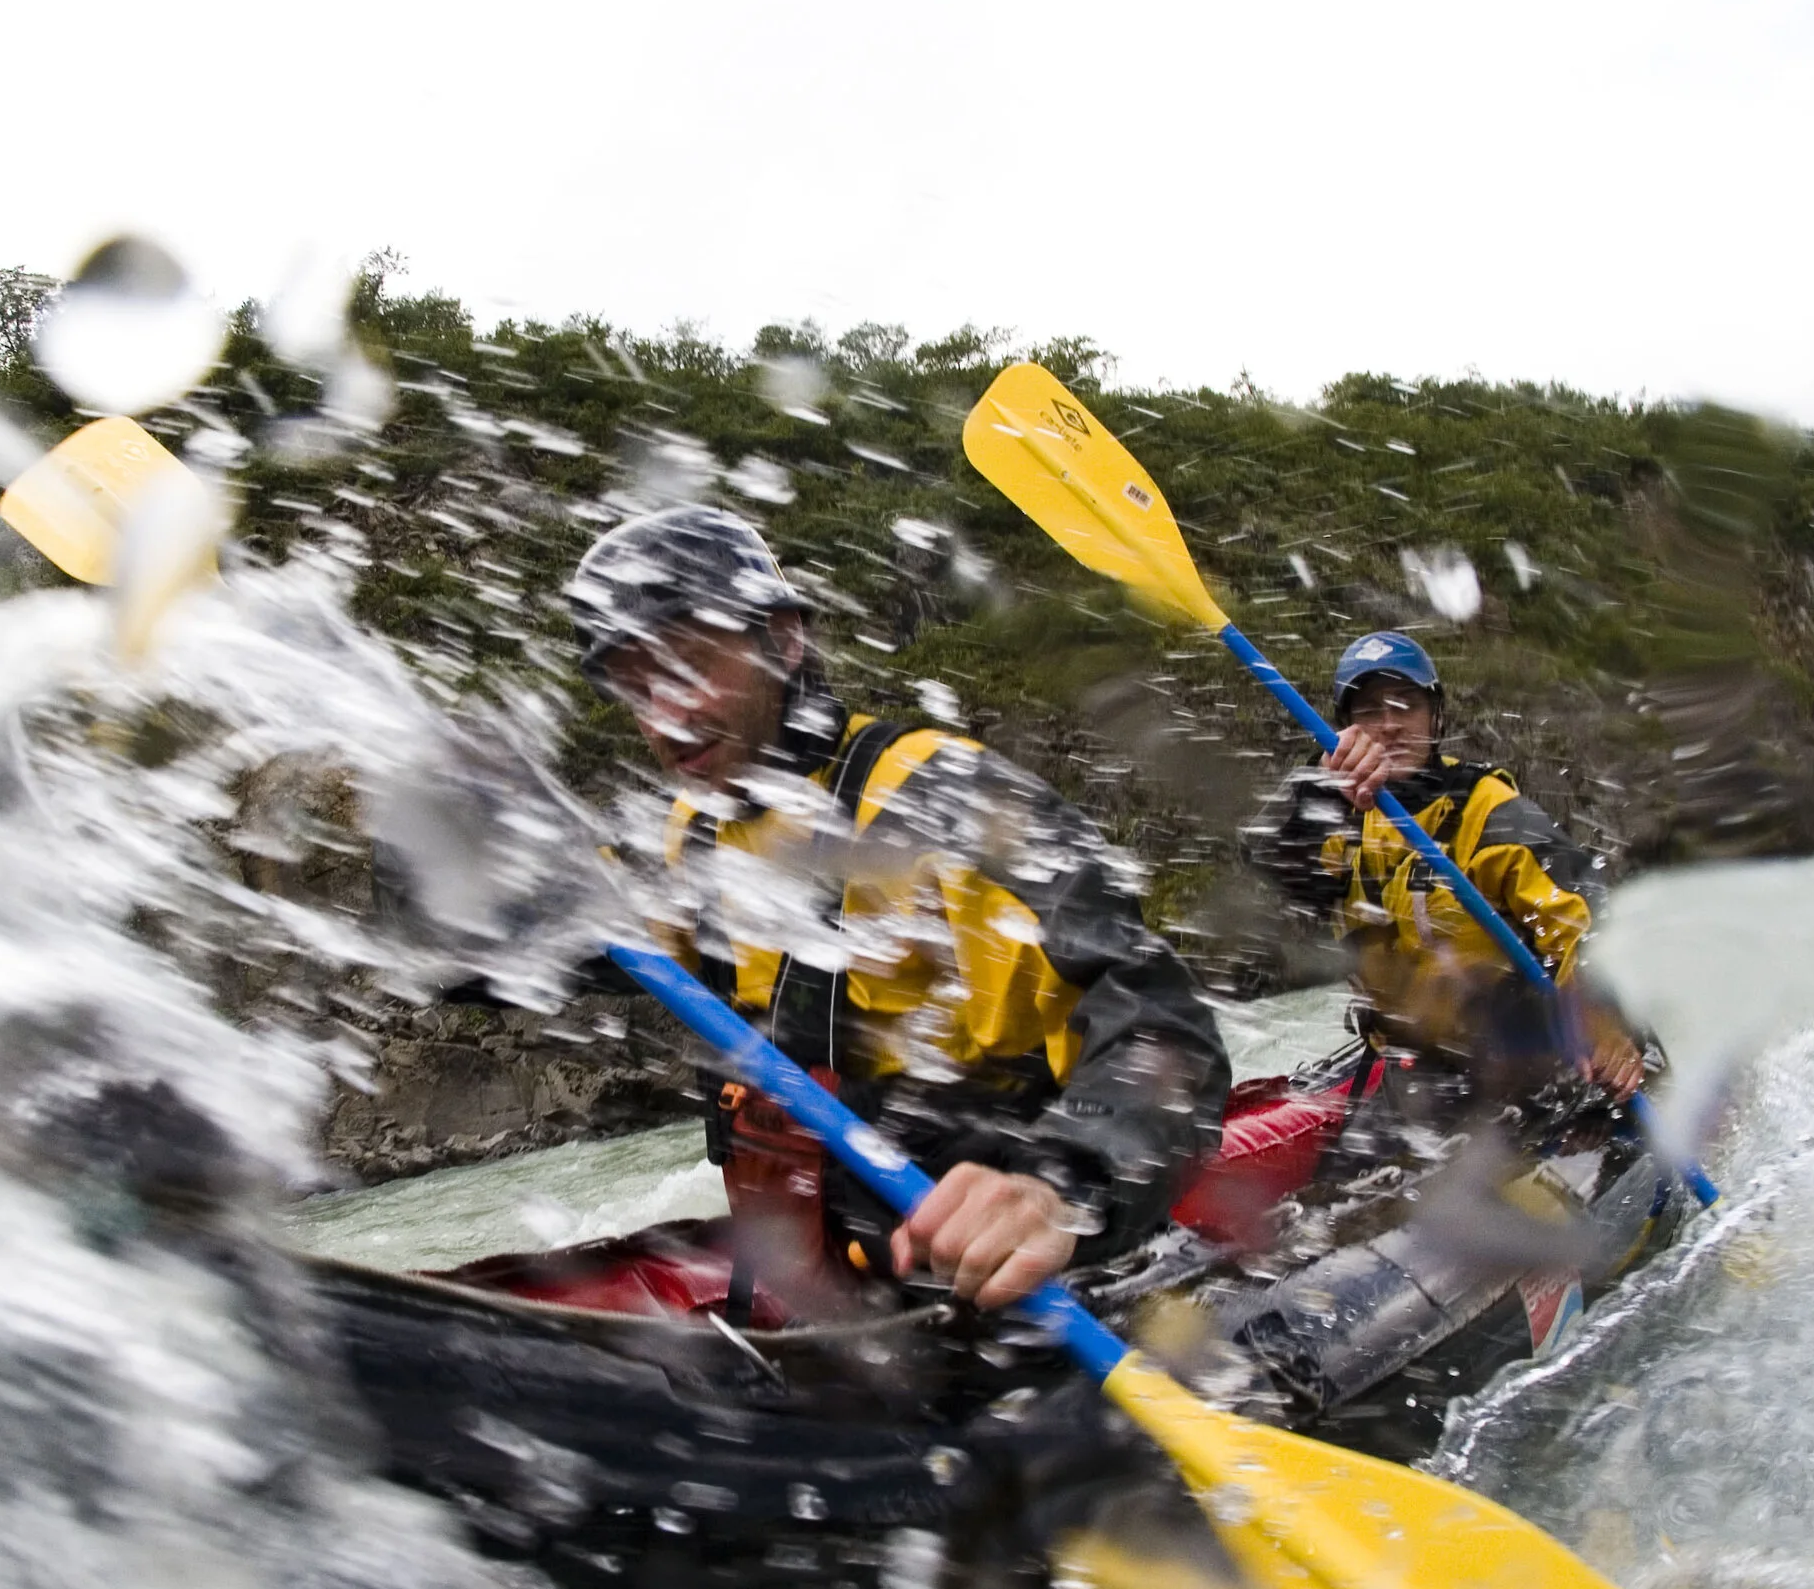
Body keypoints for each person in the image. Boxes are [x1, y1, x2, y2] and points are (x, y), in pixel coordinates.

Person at [567, 507, 1230, 1312]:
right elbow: (574, 949)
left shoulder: (948, 803)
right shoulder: (692, 834)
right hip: (838, 1293)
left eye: (687, 666)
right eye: (635, 688)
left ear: (783, 641)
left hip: (1030, 1294)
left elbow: (1164, 1031)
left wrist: (1062, 1184)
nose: (663, 718)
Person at [1248, 629, 1644, 1098]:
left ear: (1435, 719)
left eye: (1405, 705)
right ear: (1345, 729)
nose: (1389, 725)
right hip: (1416, 1071)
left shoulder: (1491, 812)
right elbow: (1266, 858)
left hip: (1522, 1071)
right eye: (1369, 711)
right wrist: (1316, 783)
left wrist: (1608, 1022)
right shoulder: (1340, 826)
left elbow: (1587, 919)